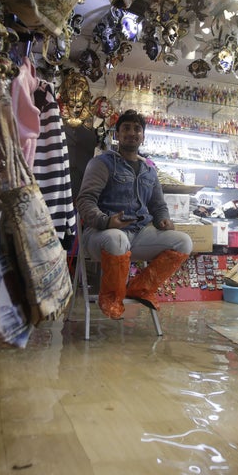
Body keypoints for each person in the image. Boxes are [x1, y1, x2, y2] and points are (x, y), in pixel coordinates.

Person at [75, 109, 193, 319]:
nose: (132, 133)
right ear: (117, 135)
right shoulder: (102, 163)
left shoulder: (149, 170)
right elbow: (85, 201)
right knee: (117, 238)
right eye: (126, 128)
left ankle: (141, 288)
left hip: (138, 234)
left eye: (137, 129)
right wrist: (106, 221)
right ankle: (111, 297)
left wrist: (162, 219)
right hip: (101, 236)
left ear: (143, 136)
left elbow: (158, 204)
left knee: (184, 242)